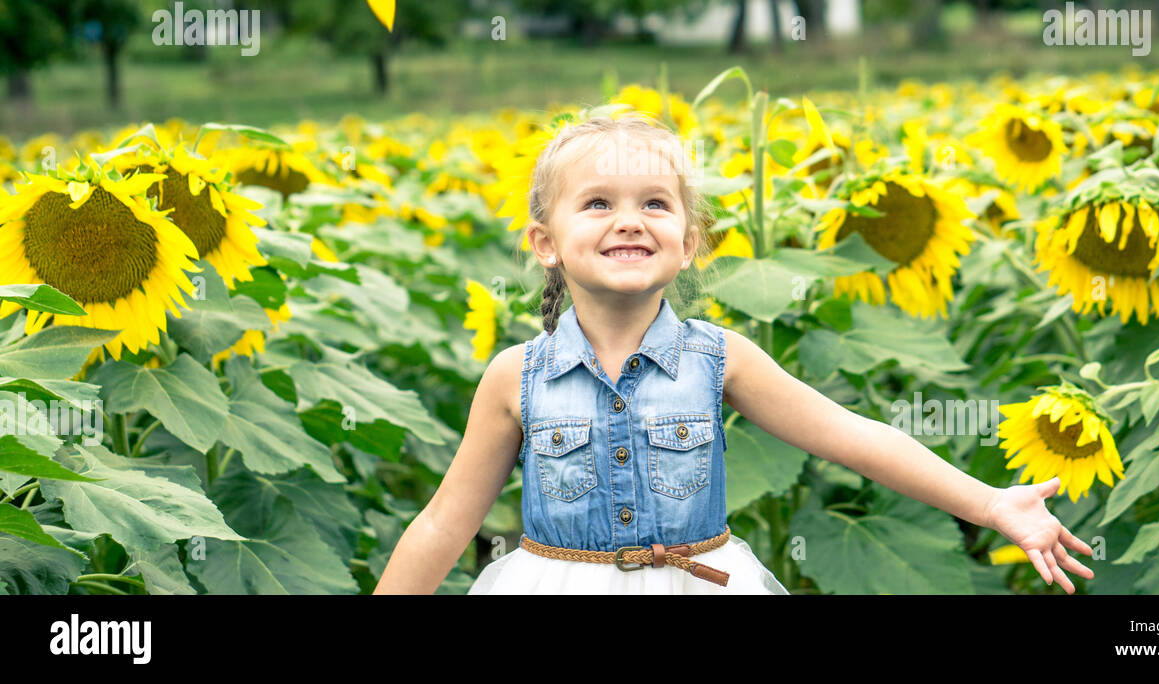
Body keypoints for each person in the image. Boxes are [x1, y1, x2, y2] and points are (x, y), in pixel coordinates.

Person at [374, 111, 1095, 594]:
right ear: (545, 244)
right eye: (597, 204)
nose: (629, 221)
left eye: (655, 204)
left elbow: (857, 439)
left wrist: (993, 502)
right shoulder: (516, 376)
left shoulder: (721, 359)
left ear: (689, 243)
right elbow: (444, 522)